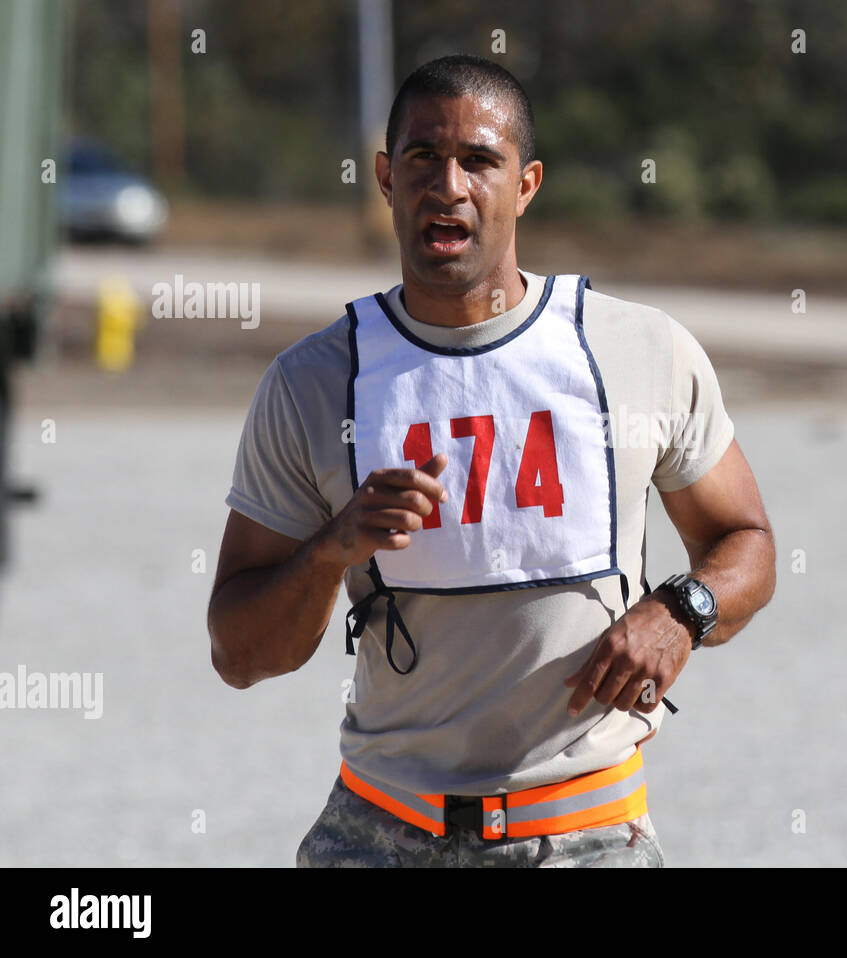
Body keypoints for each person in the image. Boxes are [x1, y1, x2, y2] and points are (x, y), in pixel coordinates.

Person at [207, 54, 775, 868]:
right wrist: (333, 547)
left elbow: (747, 544)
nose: (449, 184)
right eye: (422, 158)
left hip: (589, 834)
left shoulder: (638, 350)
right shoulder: (313, 382)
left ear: (528, 184)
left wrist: (680, 609)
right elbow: (239, 653)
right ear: (384, 179)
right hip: (381, 831)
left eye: (479, 160)